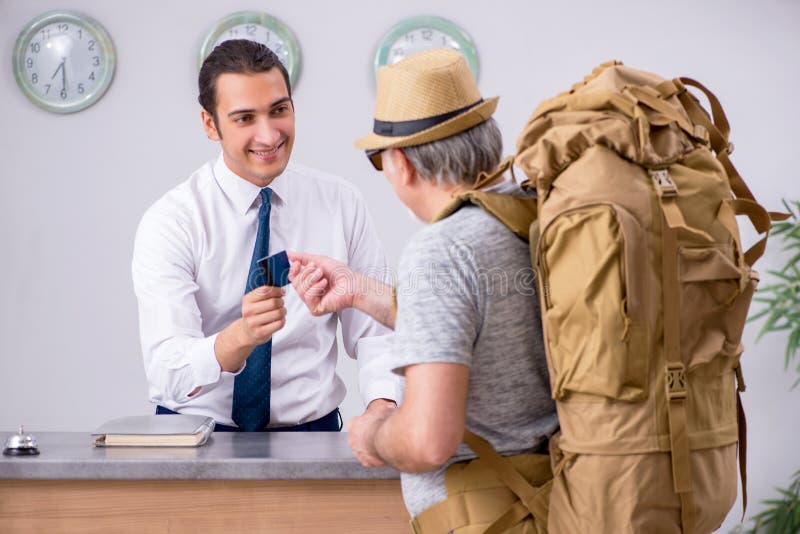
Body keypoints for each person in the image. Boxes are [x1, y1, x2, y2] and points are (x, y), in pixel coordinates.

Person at [289, 49, 558, 530]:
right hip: (552, 501)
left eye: (379, 159)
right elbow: (489, 317)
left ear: (402, 164)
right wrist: (358, 290)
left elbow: (427, 441)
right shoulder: (526, 218)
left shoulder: (443, 250)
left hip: (491, 517)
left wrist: (374, 432)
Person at [131, 39, 397, 432]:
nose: (269, 135)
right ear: (210, 124)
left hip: (313, 433)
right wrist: (240, 336)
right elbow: (167, 370)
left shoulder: (340, 202)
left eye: (279, 111)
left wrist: (382, 407)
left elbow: (377, 332)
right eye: (244, 118)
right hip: (196, 437)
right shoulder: (172, 221)